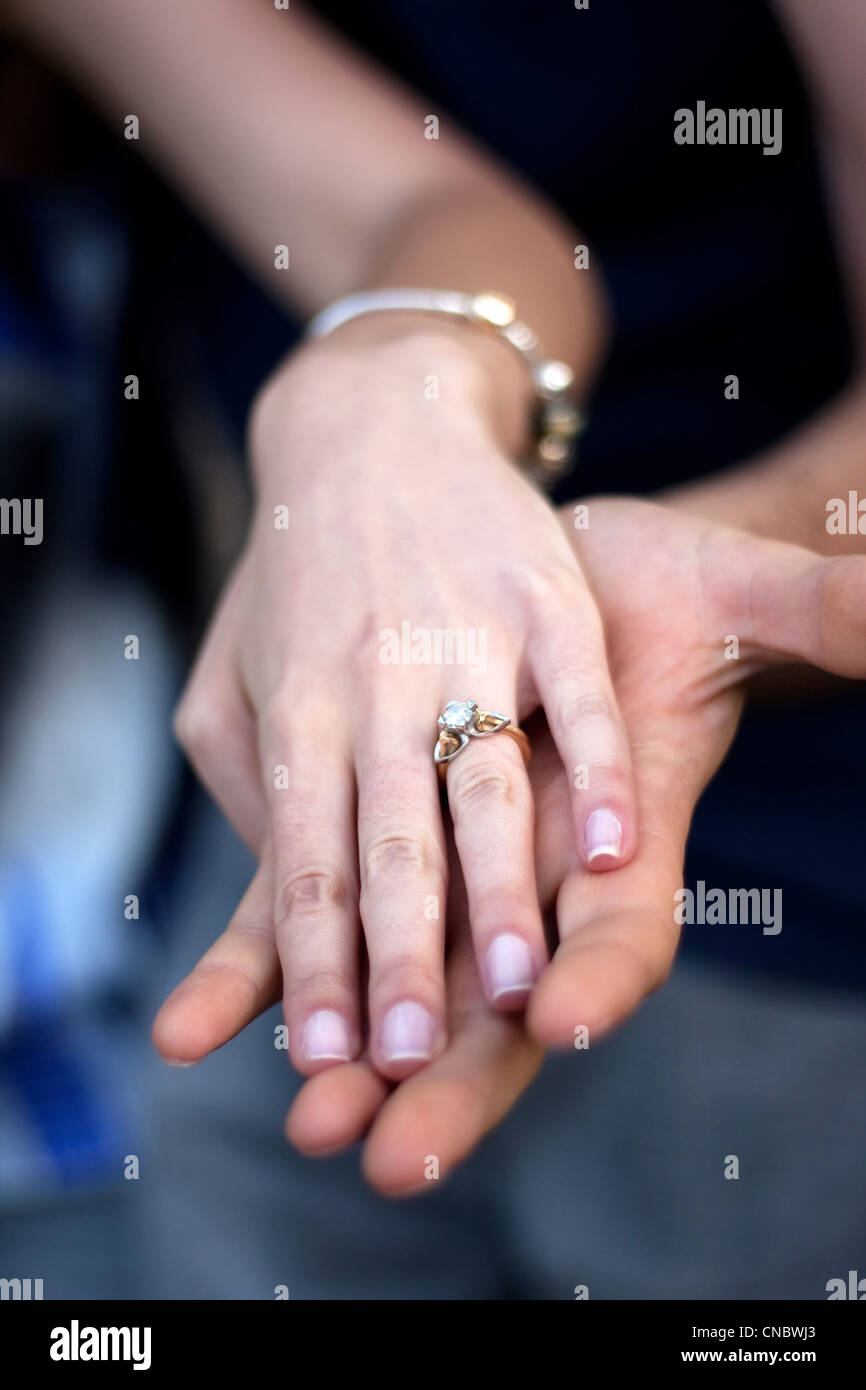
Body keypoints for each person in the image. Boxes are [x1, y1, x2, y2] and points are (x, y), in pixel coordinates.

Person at [3, 0, 865, 1296]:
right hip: (327, 756)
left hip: (801, 883)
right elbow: (418, 213)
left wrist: (702, 565)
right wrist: (382, 385)